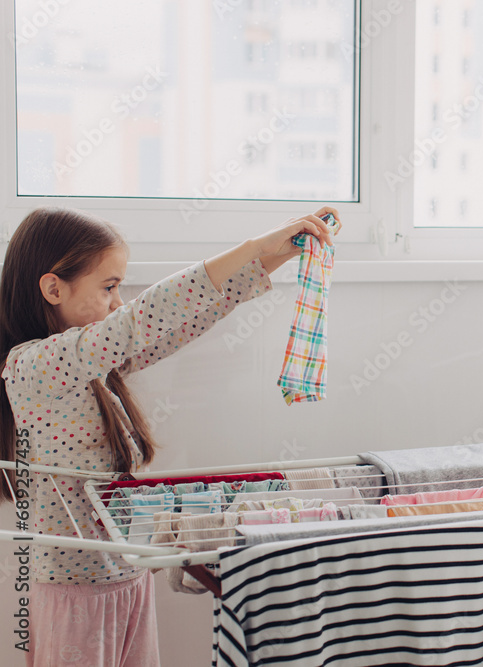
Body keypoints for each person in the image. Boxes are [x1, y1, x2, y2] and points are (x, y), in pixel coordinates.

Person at [0, 205, 339, 666]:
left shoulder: (93, 362)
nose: (118, 301)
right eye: (109, 287)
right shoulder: (33, 367)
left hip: (125, 572)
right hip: (73, 592)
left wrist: (273, 258)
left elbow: (179, 324)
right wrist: (252, 247)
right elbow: (140, 319)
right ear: (53, 288)